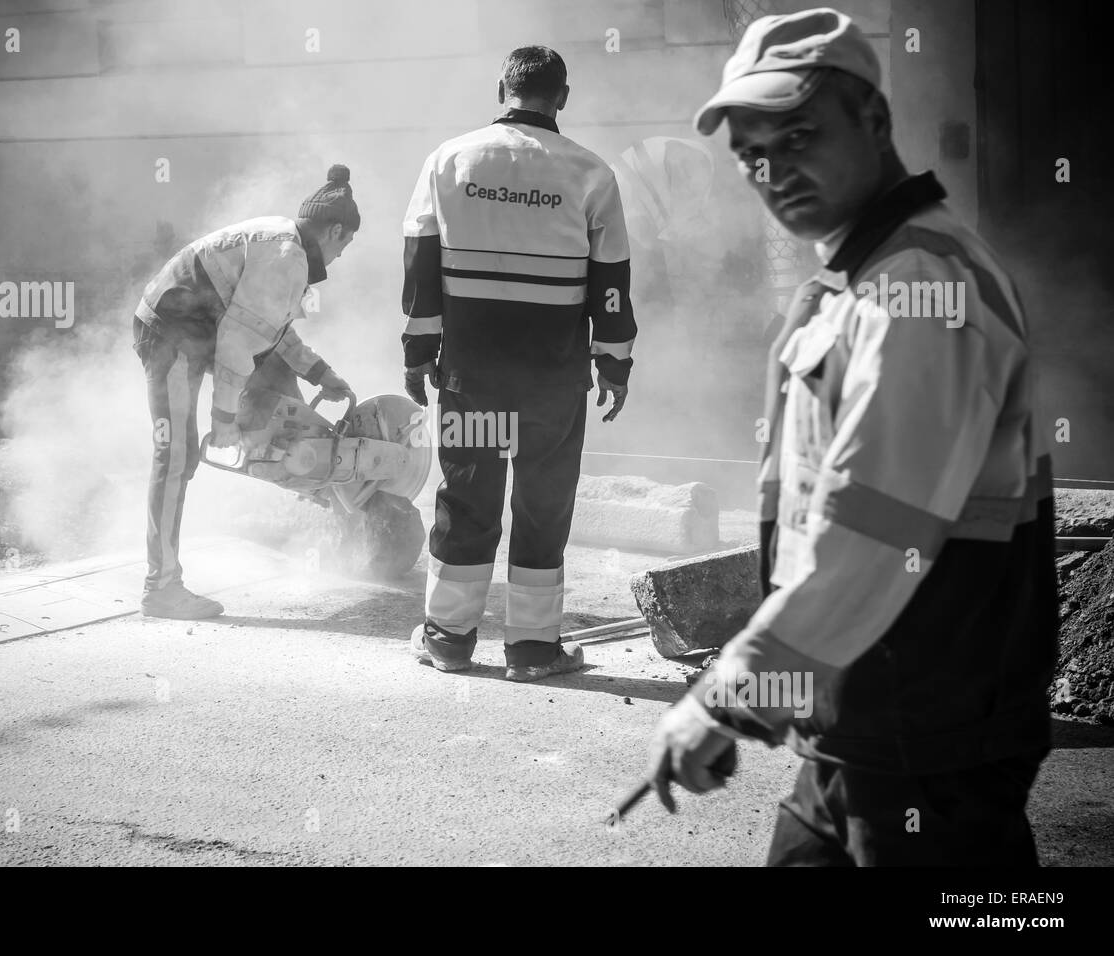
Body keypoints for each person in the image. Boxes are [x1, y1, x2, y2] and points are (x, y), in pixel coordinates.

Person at [645, 8, 1058, 865]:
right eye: (751, 152)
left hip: (928, 747)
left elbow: (871, 535)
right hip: (865, 728)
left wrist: (731, 694)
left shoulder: (918, 290)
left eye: (797, 135)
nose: (770, 169)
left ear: (874, 119)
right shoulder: (860, 277)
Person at [400, 46, 637, 682]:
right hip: (552, 382)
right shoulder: (591, 172)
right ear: (563, 97)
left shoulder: (449, 160)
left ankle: (448, 638)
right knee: (543, 504)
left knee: (468, 499)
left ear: (503, 86)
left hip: (472, 377)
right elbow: (610, 285)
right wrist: (614, 364)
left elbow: (421, 269)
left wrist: (418, 353)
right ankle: (532, 650)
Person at [133, 165, 360, 619]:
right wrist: (223, 421)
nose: (338, 258)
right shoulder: (286, 257)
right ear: (334, 230)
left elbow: (270, 331)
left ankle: (306, 481)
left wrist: (319, 373)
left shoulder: (283, 241)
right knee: (176, 456)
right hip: (172, 335)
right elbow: (237, 345)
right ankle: (161, 588)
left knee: (253, 400)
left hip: (189, 331)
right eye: (344, 246)